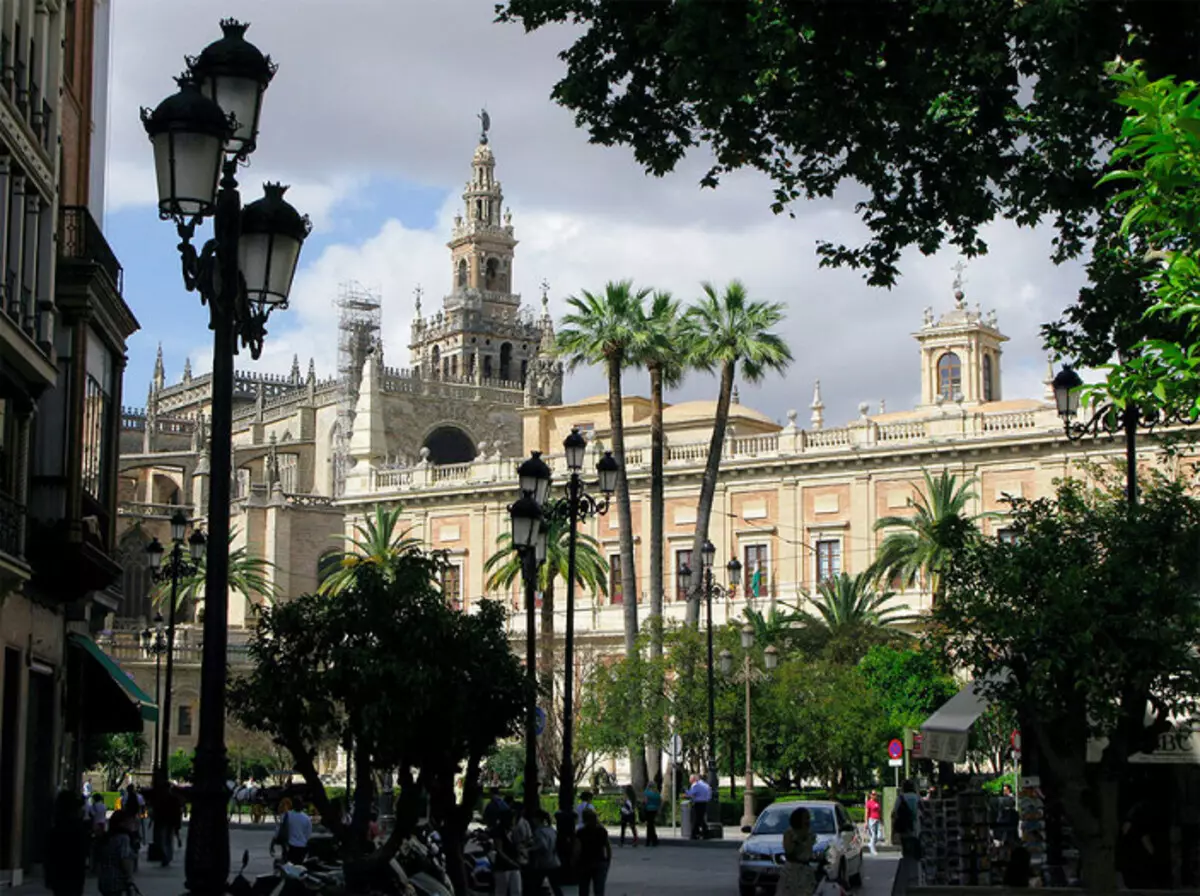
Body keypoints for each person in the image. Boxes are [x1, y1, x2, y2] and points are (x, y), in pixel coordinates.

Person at [45, 791, 89, 896]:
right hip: (73, 877)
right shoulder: (77, 828)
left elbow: (48, 855)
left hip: (60, 877)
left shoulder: (55, 829)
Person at [890, 779, 922, 894]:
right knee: (915, 849)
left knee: (906, 850)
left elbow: (894, 814)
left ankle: (907, 869)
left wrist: (893, 831)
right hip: (916, 828)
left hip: (904, 828)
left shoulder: (901, 798)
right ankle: (915, 872)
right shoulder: (917, 797)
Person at [775, 808, 816, 896]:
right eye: (806, 818)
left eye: (809, 818)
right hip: (791, 870)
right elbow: (788, 851)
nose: (808, 821)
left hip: (806, 871)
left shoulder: (810, 834)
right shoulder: (789, 833)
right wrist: (797, 840)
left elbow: (809, 851)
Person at [94, 812, 134, 896]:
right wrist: (129, 877)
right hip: (117, 879)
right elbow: (124, 858)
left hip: (104, 879)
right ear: (122, 823)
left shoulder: (107, 838)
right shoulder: (123, 838)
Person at [525, 811, 564, 896]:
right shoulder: (551, 829)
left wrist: (529, 849)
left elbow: (543, 845)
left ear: (537, 819)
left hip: (543, 862)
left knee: (535, 885)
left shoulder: (539, 831)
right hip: (554, 860)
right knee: (555, 886)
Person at [574, 808, 612, 896]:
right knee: (599, 889)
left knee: (583, 888)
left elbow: (577, 849)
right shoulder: (602, 831)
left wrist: (574, 861)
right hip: (599, 861)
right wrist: (608, 860)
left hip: (585, 862)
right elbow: (608, 846)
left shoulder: (581, 832)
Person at [272, 798, 313, 865]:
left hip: (289, 846)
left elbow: (279, 830)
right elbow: (308, 834)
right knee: (298, 866)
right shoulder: (306, 818)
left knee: (289, 867)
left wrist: (273, 842)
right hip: (302, 847)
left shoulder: (287, 815)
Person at [491, 809, 523, 895]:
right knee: (501, 891)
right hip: (503, 866)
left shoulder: (514, 831)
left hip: (514, 865)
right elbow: (499, 850)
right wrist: (511, 861)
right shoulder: (499, 831)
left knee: (516, 891)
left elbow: (518, 846)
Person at [153, 786, 183, 867]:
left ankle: (166, 857)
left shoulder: (163, 799)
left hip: (166, 822)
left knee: (165, 840)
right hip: (169, 822)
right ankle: (167, 857)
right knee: (167, 841)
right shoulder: (173, 799)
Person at [685, 774, 711, 840]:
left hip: (698, 803)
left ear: (693, 779)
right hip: (704, 803)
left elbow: (690, 794)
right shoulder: (705, 785)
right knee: (701, 819)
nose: (689, 780)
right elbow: (709, 794)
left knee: (697, 819)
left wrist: (685, 791)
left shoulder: (696, 785)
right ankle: (702, 833)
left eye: (690, 779)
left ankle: (695, 834)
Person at [642, 781, 662, 847]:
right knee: (651, 825)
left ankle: (649, 841)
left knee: (649, 826)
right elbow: (659, 802)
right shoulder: (657, 793)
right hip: (655, 810)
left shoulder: (646, 793)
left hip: (648, 810)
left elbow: (645, 801)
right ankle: (654, 840)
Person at [864, 790, 883, 856]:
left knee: (879, 836)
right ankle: (873, 850)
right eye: (873, 794)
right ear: (870, 795)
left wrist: (881, 819)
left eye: (875, 794)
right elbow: (866, 813)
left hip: (877, 820)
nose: (875, 795)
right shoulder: (868, 803)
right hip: (871, 820)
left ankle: (870, 844)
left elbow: (879, 811)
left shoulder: (877, 802)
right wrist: (866, 822)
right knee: (873, 835)